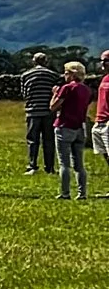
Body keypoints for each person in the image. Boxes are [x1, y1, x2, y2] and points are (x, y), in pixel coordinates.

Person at [22, 52, 62, 175]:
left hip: (33, 111)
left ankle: (32, 165)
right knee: (48, 139)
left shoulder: (25, 75)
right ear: (46, 61)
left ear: (33, 61)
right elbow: (56, 93)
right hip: (48, 111)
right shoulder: (53, 76)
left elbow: (24, 94)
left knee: (32, 139)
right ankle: (49, 167)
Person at [55, 61, 90, 200]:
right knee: (79, 164)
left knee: (64, 163)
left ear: (72, 74)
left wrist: (54, 94)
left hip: (64, 126)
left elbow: (53, 106)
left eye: (66, 72)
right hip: (80, 127)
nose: (64, 75)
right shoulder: (87, 90)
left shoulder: (67, 88)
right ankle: (82, 193)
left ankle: (65, 193)